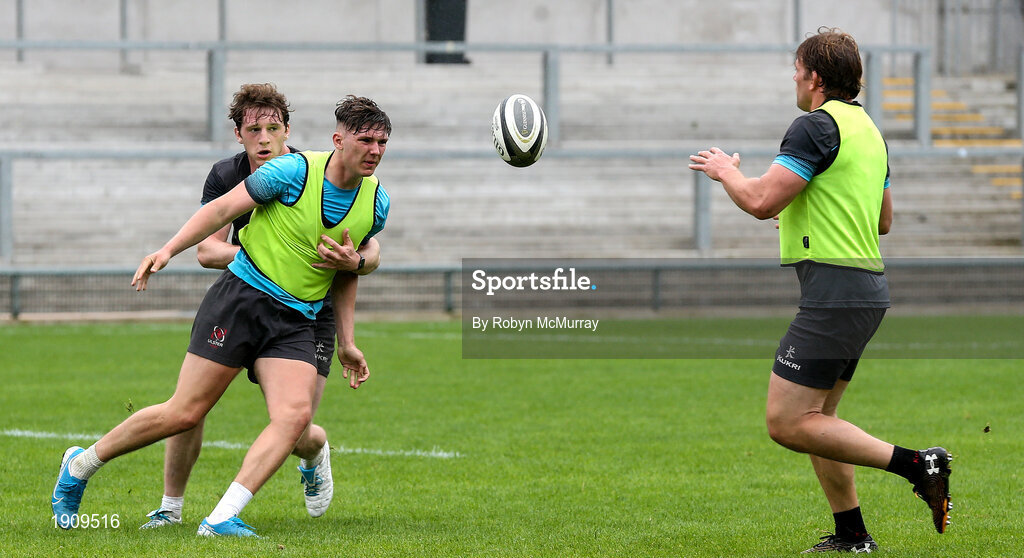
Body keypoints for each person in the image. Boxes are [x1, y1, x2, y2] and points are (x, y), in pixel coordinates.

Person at [51, 95, 392, 538]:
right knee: (184, 413)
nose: (375, 150)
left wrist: (347, 340)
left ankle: (221, 518)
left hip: (299, 320)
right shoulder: (291, 173)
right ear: (338, 140)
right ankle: (80, 465)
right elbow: (219, 211)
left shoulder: (377, 201)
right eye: (366, 140)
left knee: (294, 418)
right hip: (242, 301)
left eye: (382, 142)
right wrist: (168, 249)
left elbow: (347, 271)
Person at [688, 28, 951, 553]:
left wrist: (725, 173)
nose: (793, 76)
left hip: (835, 293)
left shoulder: (814, 126)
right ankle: (852, 535)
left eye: (796, 68)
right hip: (863, 289)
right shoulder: (869, 132)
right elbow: (882, 220)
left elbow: (762, 201)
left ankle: (919, 465)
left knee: (787, 422)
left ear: (813, 76)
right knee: (818, 421)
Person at [138, 84, 382, 530]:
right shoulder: (226, 176)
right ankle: (171, 508)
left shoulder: (310, 173)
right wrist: (272, 262)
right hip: (244, 298)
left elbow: (365, 249)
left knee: (297, 428)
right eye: (255, 130)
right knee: (190, 407)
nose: (265, 138)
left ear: (288, 131)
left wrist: (355, 270)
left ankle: (315, 453)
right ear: (239, 135)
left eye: (274, 128)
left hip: (309, 312)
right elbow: (208, 251)